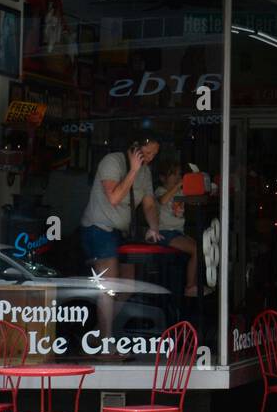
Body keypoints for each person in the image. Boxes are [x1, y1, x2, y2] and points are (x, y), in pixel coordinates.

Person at [80, 137, 162, 331]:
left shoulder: (146, 172)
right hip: (99, 227)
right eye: (147, 153)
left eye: (154, 155)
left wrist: (154, 227)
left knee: (128, 285)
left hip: (121, 232)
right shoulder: (112, 162)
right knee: (109, 286)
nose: (150, 158)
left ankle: (97, 332)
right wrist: (133, 170)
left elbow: (149, 204)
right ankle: (105, 343)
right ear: (135, 148)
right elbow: (115, 197)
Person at [156, 160, 200, 296]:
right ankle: (190, 286)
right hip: (165, 232)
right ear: (163, 178)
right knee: (196, 250)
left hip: (178, 232)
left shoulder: (181, 191)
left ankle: (193, 284)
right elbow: (163, 200)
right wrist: (179, 186)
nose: (177, 177)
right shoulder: (160, 190)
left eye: (179, 174)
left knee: (200, 248)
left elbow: (194, 199)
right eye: (172, 174)